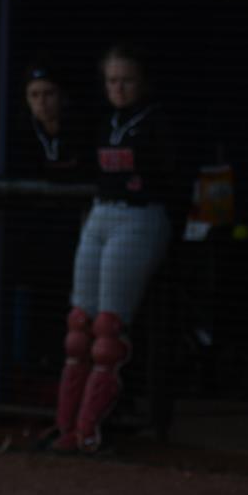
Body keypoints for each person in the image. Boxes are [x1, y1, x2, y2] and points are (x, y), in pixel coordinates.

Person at [46, 44, 180, 454]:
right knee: (78, 327)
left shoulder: (157, 121)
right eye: (111, 81)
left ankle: (89, 429)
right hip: (100, 214)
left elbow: (173, 174)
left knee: (107, 331)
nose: (118, 88)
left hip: (139, 217)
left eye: (126, 80)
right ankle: (63, 425)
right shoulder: (103, 122)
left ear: (142, 82)